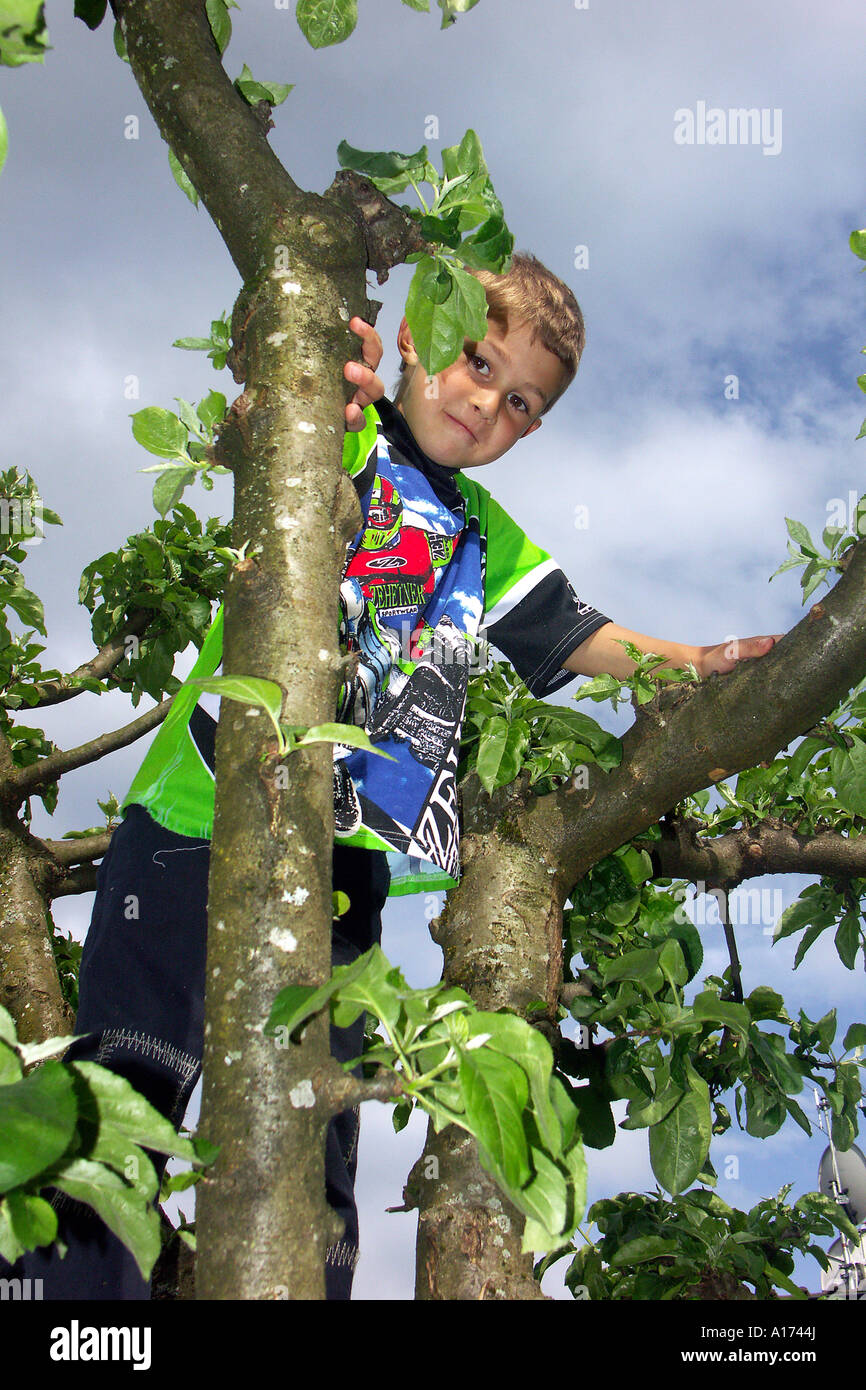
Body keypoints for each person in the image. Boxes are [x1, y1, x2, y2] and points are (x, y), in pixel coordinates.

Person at [16, 253, 780, 1300]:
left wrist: (693, 665)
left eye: (519, 401)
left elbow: (572, 632)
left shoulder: (480, 535)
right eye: (475, 361)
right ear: (417, 334)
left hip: (348, 862)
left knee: (317, 1123)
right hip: (200, 818)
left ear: (534, 428)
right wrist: (321, 372)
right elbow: (264, 419)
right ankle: (72, 1315)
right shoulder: (349, 431)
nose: (485, 403)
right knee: (123, 1079)